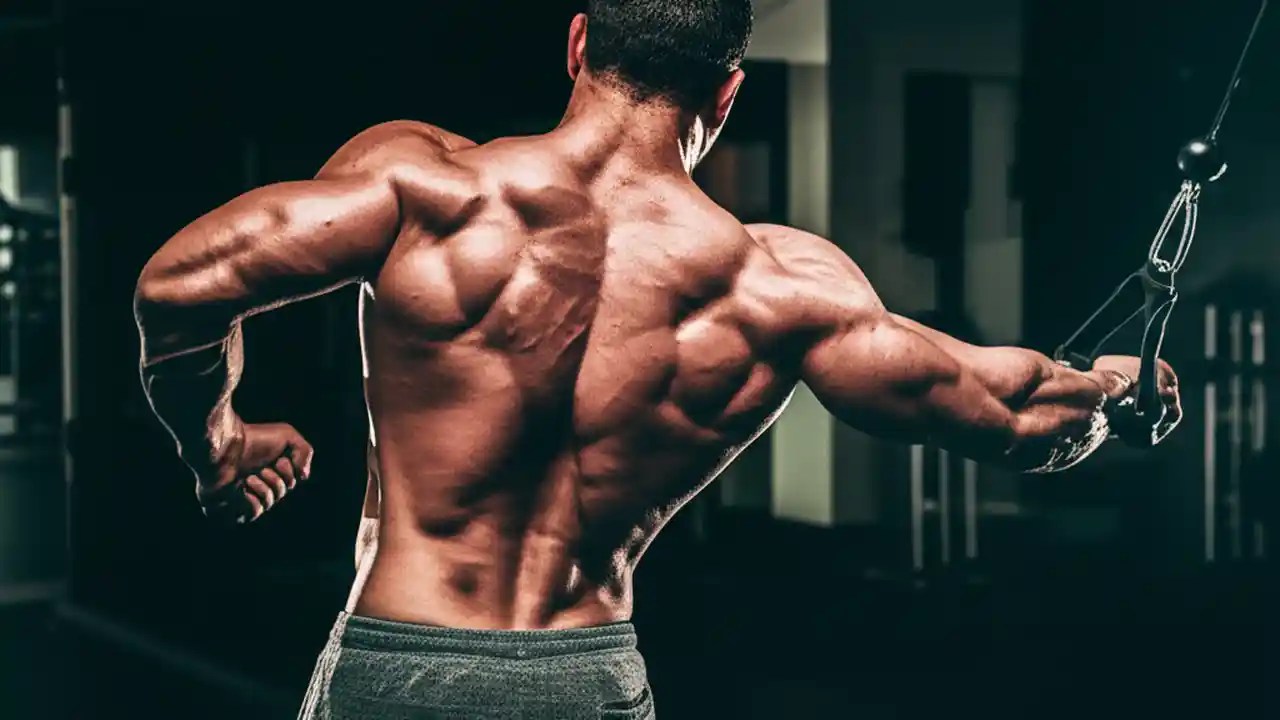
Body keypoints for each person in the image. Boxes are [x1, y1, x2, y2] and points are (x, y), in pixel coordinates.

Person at [131, 1, 1183, 718]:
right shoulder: (776, 285)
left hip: (402, 661)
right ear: (726, 94)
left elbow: (177, 289)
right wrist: (1110, 393)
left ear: (578, 39)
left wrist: (216, 442)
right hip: (582, 675)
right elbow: (1011, 415)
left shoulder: (419, 187)